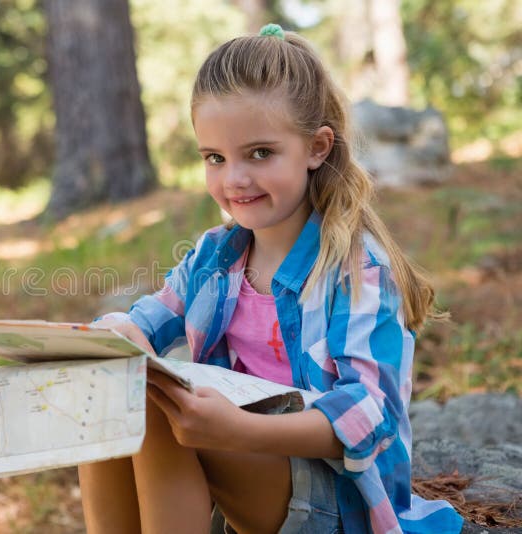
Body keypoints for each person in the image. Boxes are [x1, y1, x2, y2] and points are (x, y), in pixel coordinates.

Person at [79, 24, 464, 534]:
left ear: (317, 148)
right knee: (120, 391)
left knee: (165, 419)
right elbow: (148, 319)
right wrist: (115, 336)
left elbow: (371, 414)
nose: (234, 179)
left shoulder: (356, 269)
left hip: (339, 502)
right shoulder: (216, 257)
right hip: (246, 465)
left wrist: (241, 429)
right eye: (215, 158)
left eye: (259, 153)